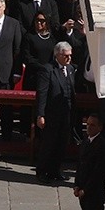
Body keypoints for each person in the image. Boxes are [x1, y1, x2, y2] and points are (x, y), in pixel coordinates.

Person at [34, 42, 77, 181]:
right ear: (57, 55)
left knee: (61, 143)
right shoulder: (47, 70)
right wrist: (41, 114)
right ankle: (42, 171)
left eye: (70, 55)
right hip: (52, 114)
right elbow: (42, 93)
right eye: (66, 56)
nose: (69, 59)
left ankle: (55, 170)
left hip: (66, 113)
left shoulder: (70, 69)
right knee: (48, 144)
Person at [73, 115, 105, 210]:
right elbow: (79, 166)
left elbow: (98, 172)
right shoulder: (85, 142)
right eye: (88, 124)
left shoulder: (103, 146)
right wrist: (76, 185)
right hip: (82, 191)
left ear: (100, 128)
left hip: (94, 193)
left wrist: (85, 190)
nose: (89, 127)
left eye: (92, 125)